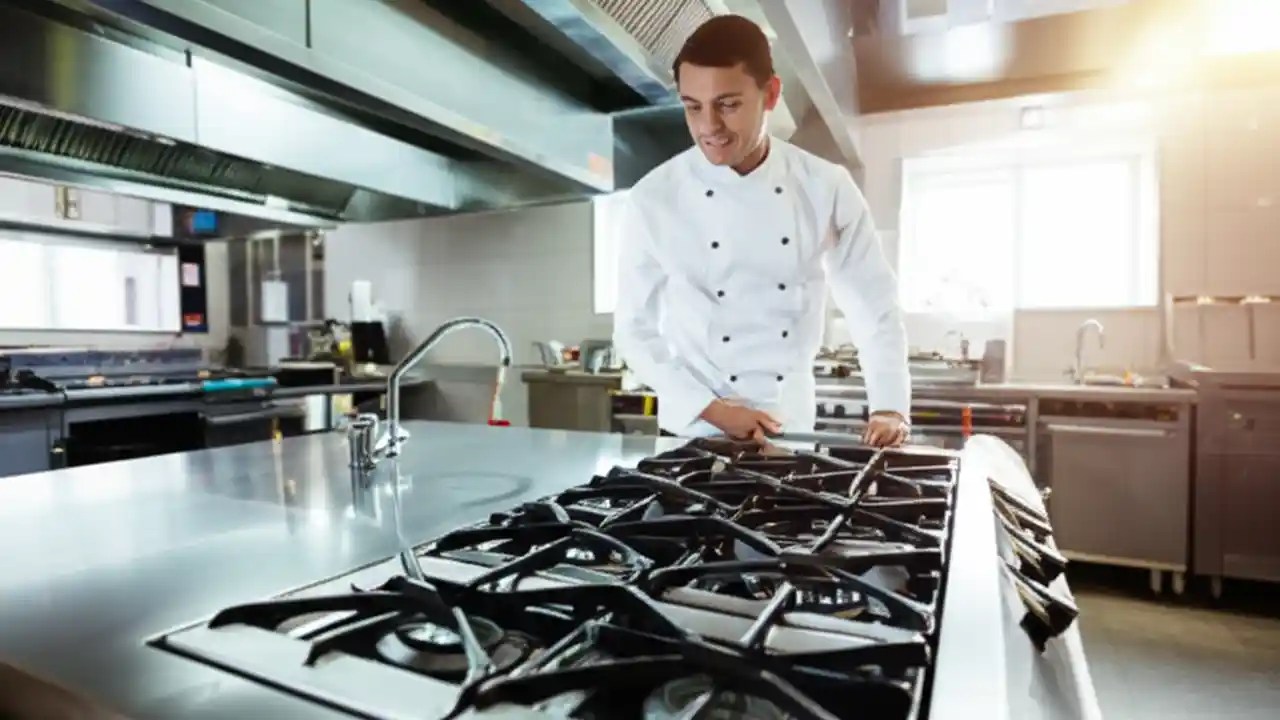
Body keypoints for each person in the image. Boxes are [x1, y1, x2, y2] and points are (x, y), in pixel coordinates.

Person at [612, 14, 911, 448]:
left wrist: (889, 405)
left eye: (728, 104)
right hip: (694, 432)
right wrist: (716, 412)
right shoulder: (653, 199)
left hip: (786, 429)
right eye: (693, 107)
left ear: (770, 94)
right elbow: (634, 331)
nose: (708, 127)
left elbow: (873, 304)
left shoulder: (824, 187)